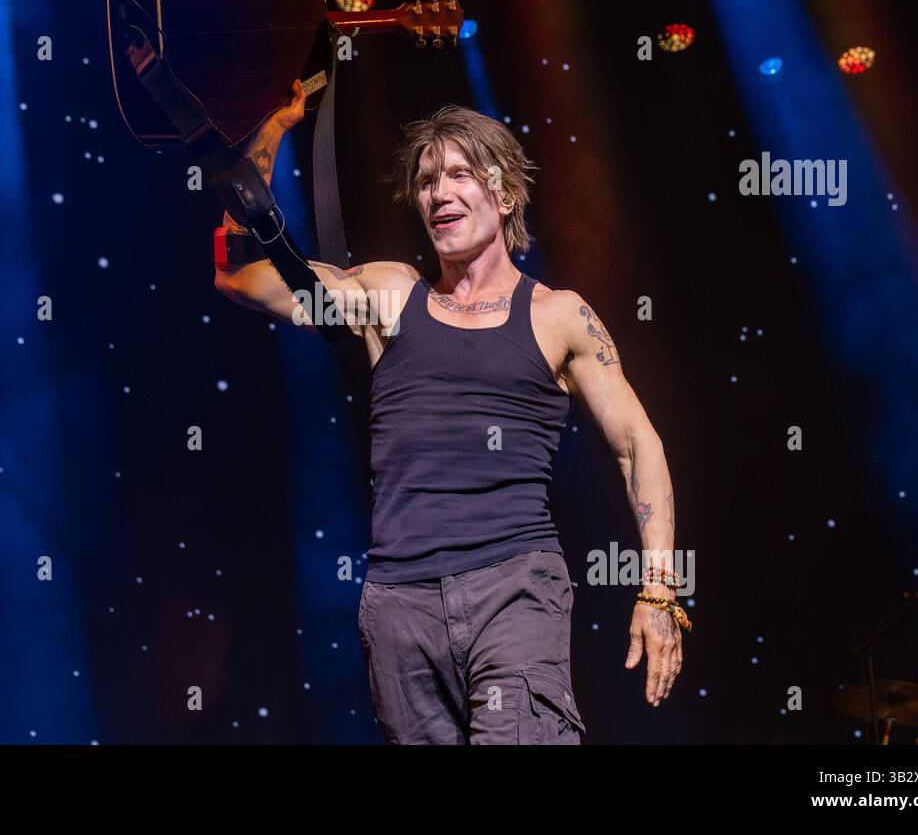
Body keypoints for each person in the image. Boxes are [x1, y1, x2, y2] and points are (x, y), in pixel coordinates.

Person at [214, 81, 685, 743]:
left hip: (514, 584)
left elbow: (639, 443)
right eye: (428, 179)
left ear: (507, 193)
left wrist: (659, 590)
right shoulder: (388, 295)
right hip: (398, 601)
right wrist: (270, 128)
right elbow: (240, 276)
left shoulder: (558, 315)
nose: (439, 192)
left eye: (461, 173)